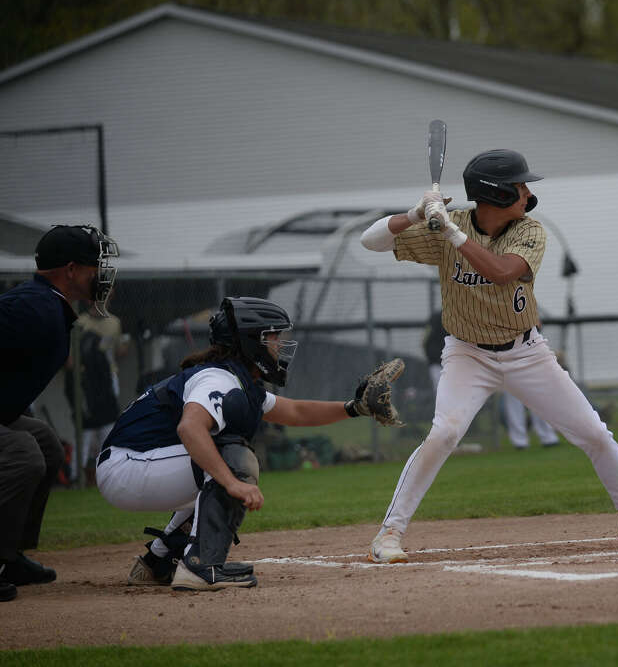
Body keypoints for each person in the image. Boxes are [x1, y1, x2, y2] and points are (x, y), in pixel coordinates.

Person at [359, 147, 618, 563]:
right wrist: (415, 214)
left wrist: (452, 235)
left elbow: (501, 272)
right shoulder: (448, 226)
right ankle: (389, 533)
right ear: (496, 193)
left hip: (526, 352)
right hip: (467, 354)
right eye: (519, 186)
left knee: (595, 434)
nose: (527, 193)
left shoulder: (528, 231)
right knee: (443, 434)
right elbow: (371, 241)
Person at [96, 296, 400, 591]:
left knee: (221, 464)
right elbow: (190, 428)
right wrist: (232, 483)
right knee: (234, 460)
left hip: (133, 465)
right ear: (251, 342)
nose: (280, 345)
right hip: (128, 466)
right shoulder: (217, 378)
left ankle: (158, 562)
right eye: (273, 338)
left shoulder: (235, 379)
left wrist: (354, 408)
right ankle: (201, 567)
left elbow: (295, 412)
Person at [0, 224, 119, 602]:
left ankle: (8, 556)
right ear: (71, 270)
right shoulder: (33, 307)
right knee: (24, 453)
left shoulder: (47, 304)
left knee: (46, 443)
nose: (100, 275)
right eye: (93, 267)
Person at [67, 293, 130, 484]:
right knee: (85, 429)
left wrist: (126, 342)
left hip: (108, 380)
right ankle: (76, 477)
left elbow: (119, 350)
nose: (104, 300)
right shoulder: (80, 322)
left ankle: (108, 474)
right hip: (86, 382)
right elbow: (69, 360)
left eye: (107, 296)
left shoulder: (114, 322)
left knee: (108, 427)